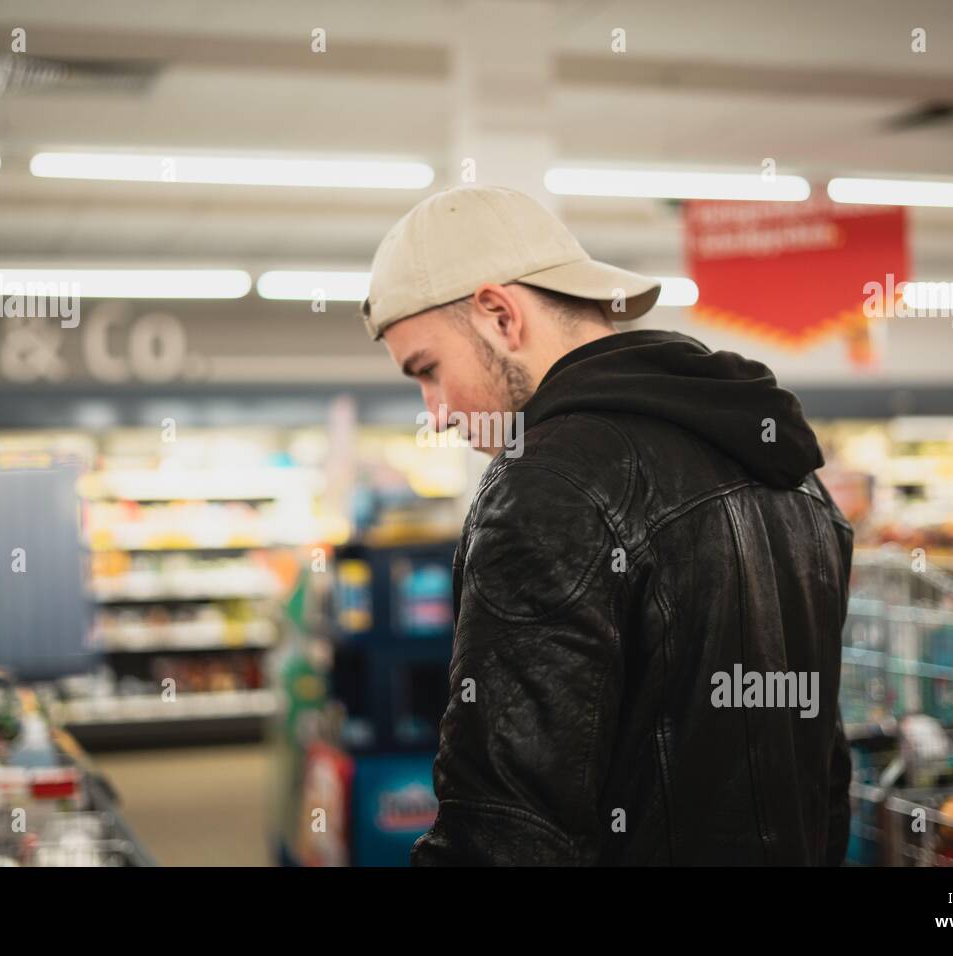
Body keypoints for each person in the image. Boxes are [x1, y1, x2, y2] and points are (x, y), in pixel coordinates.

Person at [360, 183, 853, 865]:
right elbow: (824, 773)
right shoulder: (794, 474)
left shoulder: (548, 483)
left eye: (429, 371)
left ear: (500, 315)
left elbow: (506, 826)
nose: (435, 411)